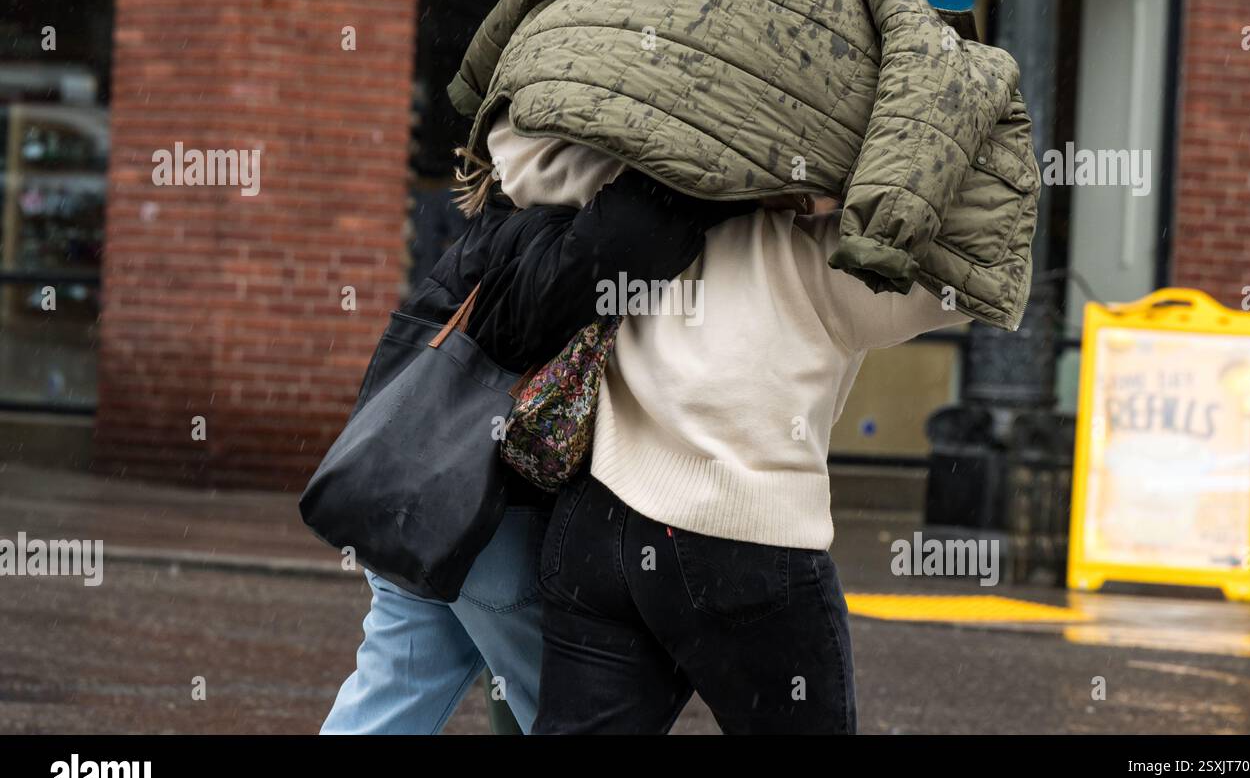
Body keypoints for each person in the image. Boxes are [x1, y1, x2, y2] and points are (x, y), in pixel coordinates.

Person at [321, 114, 740, 734]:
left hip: (418, 500)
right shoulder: (564, 231)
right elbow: (623, 245)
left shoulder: (500, 212)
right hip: (492, 515)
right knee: (578, 722)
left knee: (386, 705)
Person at [533, 195, 970, 734]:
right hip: (743, 540)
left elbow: (531, 163)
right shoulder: (827, 255)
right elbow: (967, 273)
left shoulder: (652, 197)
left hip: (598, 514)